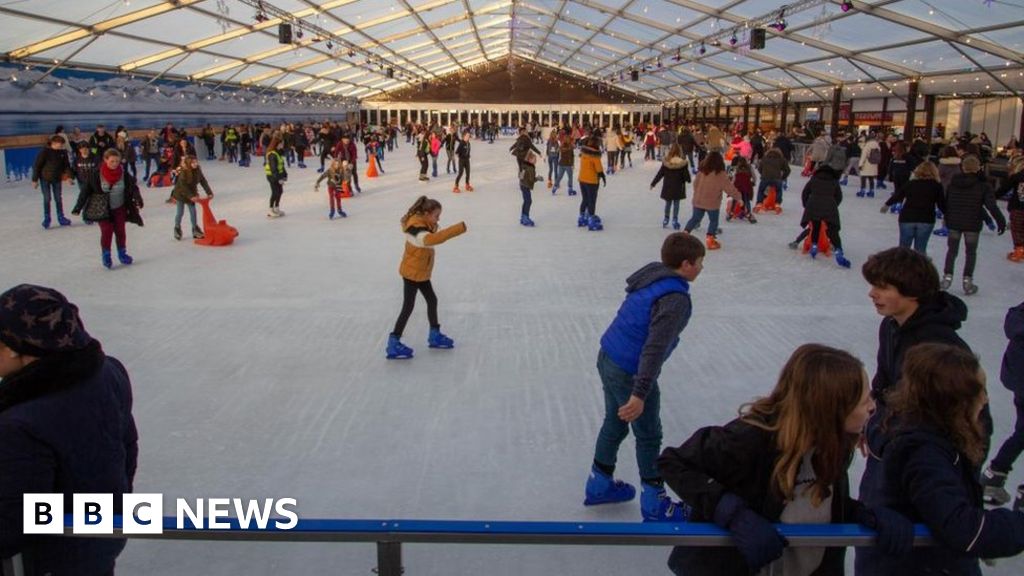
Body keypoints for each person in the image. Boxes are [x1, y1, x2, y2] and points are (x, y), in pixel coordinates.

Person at [660, 343, 911, 575]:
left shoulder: (835, 444)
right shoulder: (751, 438)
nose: (872, 407)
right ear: (831, 408)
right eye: (863, 400)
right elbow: (673, 463)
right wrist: (733, 513)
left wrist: (860, 515)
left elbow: (809, 501)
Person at [0, 284, 138, 576]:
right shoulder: (107, 371)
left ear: (15, 349)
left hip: (51, 559)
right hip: (103, 534)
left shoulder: (20, 424)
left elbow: (13, 521)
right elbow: (128, 447)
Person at [859, 343, 1024, 575]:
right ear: (954, 400)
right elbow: (959, 526)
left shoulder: (927, 434)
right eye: (980, 390)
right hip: (916, 566)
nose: (985, 400)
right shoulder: (923, 454)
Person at [585, 232, 705, 522]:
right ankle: (654, 503)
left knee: (615, 421)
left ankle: (599, 484)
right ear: (686, 264)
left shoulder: (654, 276)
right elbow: (654, 348)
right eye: (700, 263)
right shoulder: (674, 298)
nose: (702, 268)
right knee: (648, 434)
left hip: (609, 354)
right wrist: (640, 393)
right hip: (629, 368)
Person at [386, 196, 467, 360]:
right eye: (436, 216)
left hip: (420, 272)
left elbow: (430, 232)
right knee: (408, 307)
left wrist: (434, 224)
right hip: (412, 274)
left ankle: (434, 334)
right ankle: (393, 342)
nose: (438, 219)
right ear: (427, 213)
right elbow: (430, 239)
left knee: (432, 300)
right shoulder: (417, 229)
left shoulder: (424, 223)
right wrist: (458, 228)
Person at [940, 155, 1006, 295]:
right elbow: (991, 206)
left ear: (963, 167)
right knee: (970, 252)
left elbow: (948, 202)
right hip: (972, 223)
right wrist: (1000, 221)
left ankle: (947, 277)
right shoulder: (983, 185)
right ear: (978, 168)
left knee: (952, 251)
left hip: (955, 221)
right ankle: (967, 281)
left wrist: (947, 218)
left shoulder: (954, 183)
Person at [981, 302, 1024, 505]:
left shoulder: (1019, 315)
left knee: (1023, 430)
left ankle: (995, 473)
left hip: (1018, 381)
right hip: (1020, 380)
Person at [85, 149, 143, 268]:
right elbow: (86, 191)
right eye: (112, 161)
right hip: (103, 210)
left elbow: (133, 187)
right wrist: (79, 207)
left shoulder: (123, 173)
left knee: (120, 231)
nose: (115, 163)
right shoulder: (97, 174)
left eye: (117, 161)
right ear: (105, 160)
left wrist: (137, 198)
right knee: (107, 231)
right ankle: (106, 254)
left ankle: (122, 253)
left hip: (119, 207)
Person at [881, 160, 945, 254]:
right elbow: (941, 203)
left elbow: (898, 195)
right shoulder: (937, 186)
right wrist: (947, 215)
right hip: (926, 219)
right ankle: (919, 267)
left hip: (907, 218)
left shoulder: (911, 183)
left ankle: (902, 267)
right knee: (920, 249)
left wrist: (887, 205)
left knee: (904, 248)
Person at [685, 152, 741, 250]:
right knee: (713, 221)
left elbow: (695, 184)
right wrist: (738, 197)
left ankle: (684, 235)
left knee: (695, 218)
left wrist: (698, 192)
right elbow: (729, 188)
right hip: (712, 202)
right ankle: (710, 238)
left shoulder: (702, 171)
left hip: (699, 200)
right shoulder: (721, 174)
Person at [31, 135, 73, 229]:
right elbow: (37, 165)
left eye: (62, 144)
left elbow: (66, 165)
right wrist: (35, 179)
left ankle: (61, 217)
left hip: (57, 179)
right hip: (45, 178)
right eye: (60, 144)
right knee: (47, 198)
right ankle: (47, 218)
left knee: (58, 198)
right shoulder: (45, 152)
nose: (62, 146)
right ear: (54, 143)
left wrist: (69, 177)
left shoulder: (63, 152)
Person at [168, 155, 213, 240]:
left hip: (191, 193)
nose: (195, 164)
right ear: (189, 163)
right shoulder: (184, 172)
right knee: (180, 213)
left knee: (193, 212)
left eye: (196, 162)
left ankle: (195, 229)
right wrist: (191, 196)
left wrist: (209, 192)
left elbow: (203, 181)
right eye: (193, 162)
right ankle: (177, 228)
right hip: (180, 194)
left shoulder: (198, 170)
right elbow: (183, 186)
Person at [650, 143, 690, 230]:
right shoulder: (682, 164)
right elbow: (687, 178)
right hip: (678, 187)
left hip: (668, 186)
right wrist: (687, 177)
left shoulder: (666, 162)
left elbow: (660, 174)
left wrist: (653, 183)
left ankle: (666, 218)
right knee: (676, 203)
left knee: (668, 203)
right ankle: (675, 219)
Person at [997, 155, 1024, 262]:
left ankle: (1019, 251)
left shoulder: (1016, 176)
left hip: (1018, 207)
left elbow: (1003, 189)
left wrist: (992, 196)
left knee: (1017, 229)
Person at [577, 136, 606, 230]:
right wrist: (603, 176)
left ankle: (581, 217)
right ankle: (591, 219)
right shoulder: (595, 155)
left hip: (582, 179)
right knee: (592, 200)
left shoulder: (583, 153)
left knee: (585, 199)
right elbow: (599, 169)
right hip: (591, 181)